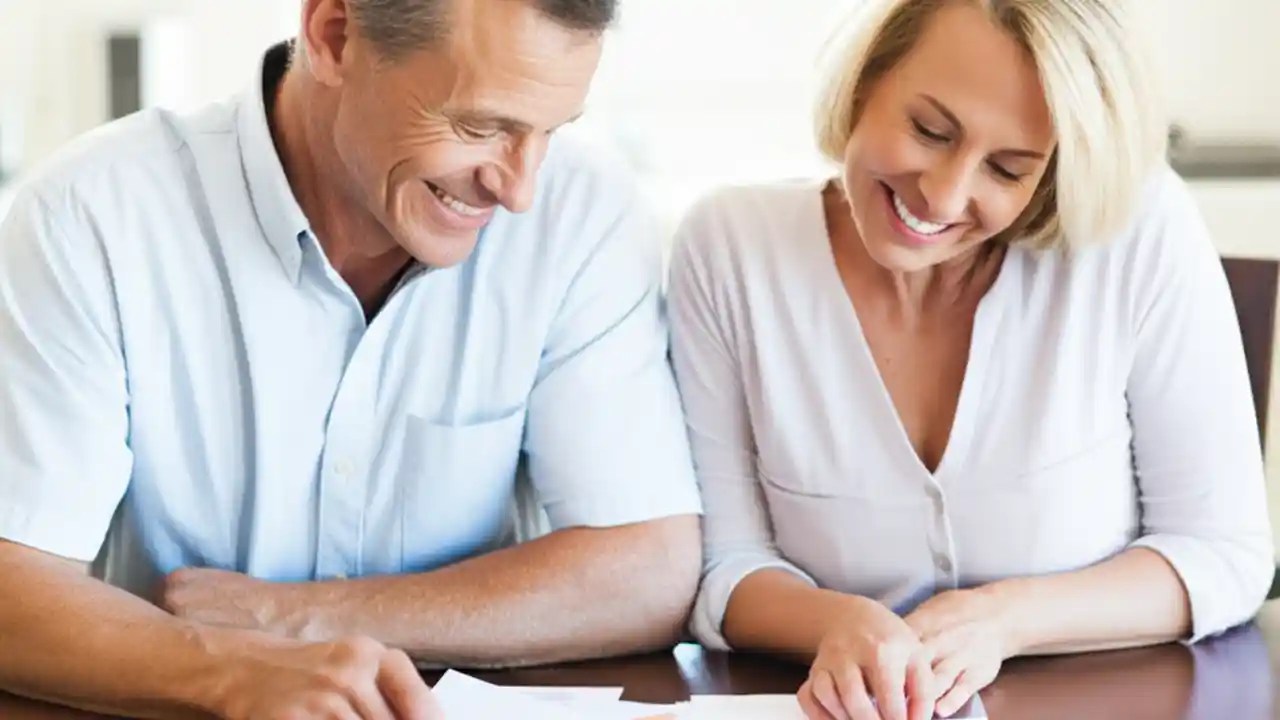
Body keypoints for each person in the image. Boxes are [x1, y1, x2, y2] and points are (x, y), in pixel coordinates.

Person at [0, 0, 704, 717]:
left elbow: (646, 569)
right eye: (479, 127)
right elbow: (11, 586)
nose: (520, 190)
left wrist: (290, 620)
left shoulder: (582, 215)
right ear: (334, 36)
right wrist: (223, 673)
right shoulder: (91, 215)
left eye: (549, 132)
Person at [668, 1, 1275, 719]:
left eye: (1009, 169)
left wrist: (1004, 619)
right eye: (929, 130)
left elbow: (1223, 555)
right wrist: (838, 623)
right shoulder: (731, 249)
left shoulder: (1137, 236)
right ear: (866, 82)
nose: (944, 194)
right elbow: (723, 566)